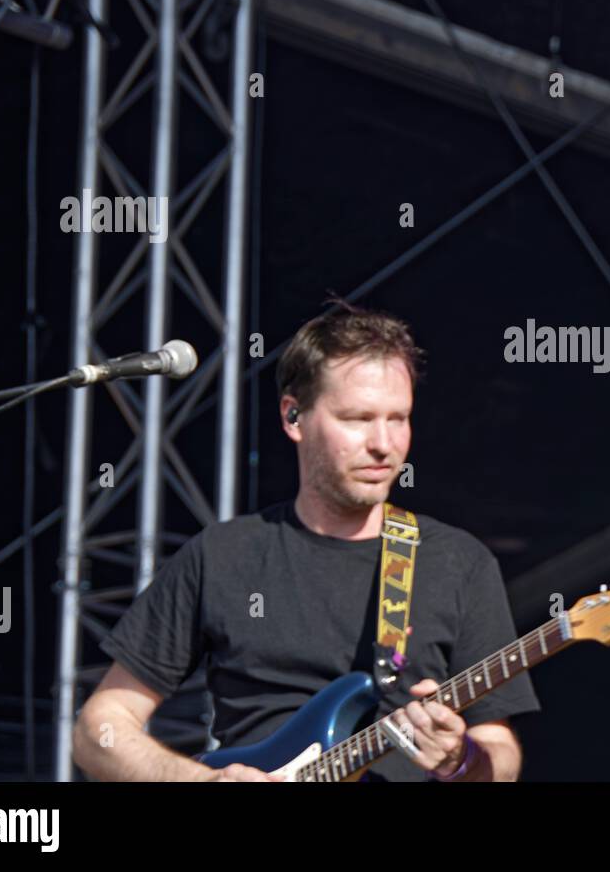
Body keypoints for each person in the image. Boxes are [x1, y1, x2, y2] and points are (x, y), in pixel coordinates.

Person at [74, 302, 540, 781]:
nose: (384, 443)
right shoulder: (224, 555)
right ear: (294, 416)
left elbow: (498, 750)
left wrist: (460, 760)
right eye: (358, 419)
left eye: (398, 418)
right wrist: (201, 780)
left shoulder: (457, 563)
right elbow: (99, 727)